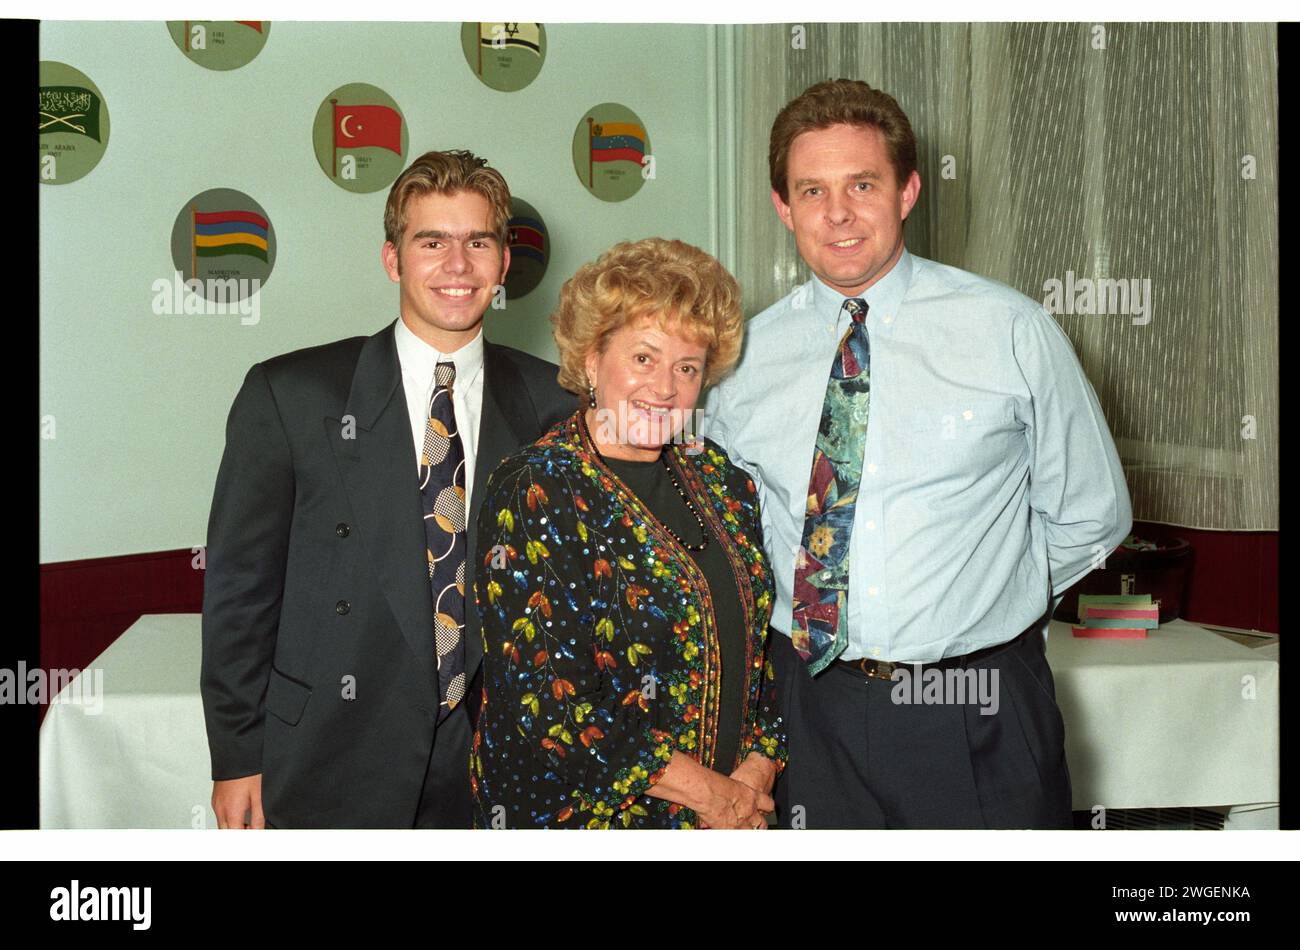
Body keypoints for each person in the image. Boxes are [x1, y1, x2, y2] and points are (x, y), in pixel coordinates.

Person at [701, 79, 1132, 829]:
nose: (837, 214)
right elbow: (734, 541)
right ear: (783, 207)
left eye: (862, 185)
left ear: (907, 191)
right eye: (812, 190)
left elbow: (1091, 516)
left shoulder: (1009, 330)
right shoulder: (740, 361)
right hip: (810, 712)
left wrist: (986, 605)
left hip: (976, 707)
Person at [200, 149, 575, 828]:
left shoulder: (555, 403)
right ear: (392, 259)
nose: (457, 265)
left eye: (477, 241)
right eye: (431, 241)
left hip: (496, 766)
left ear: (503, 262)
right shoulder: (291, 396)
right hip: (329, 754)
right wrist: (236, 756)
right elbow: (238, 593)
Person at [470, 237, 785, 829]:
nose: (665, 387)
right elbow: (551, 704)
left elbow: (760, 656)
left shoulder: (720, 478)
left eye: (686, 367)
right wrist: (712, 797)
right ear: (591, 359)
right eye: (644, 357)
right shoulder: (536, 489)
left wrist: (755, 774)